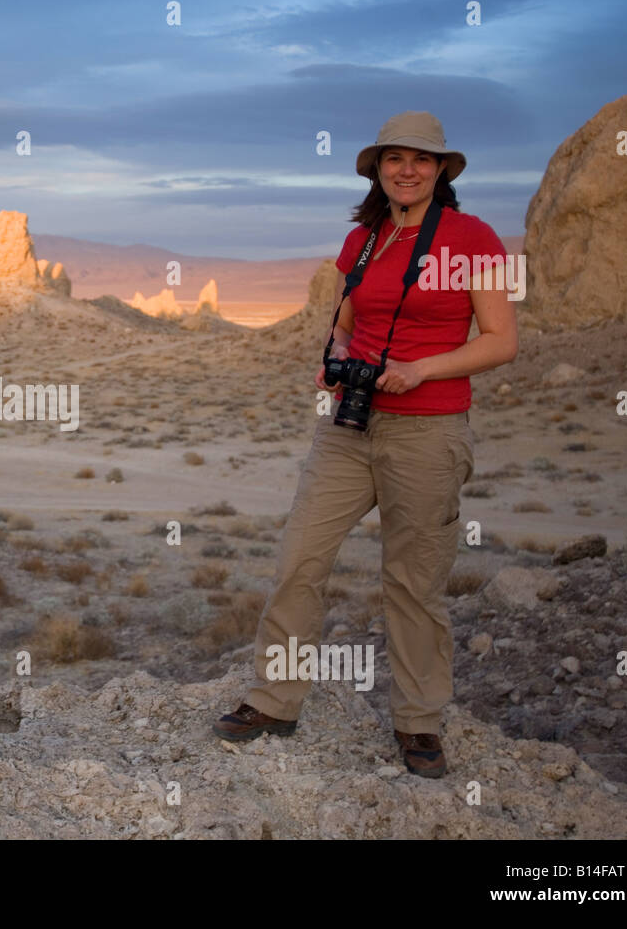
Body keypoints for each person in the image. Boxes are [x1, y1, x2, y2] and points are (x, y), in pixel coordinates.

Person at [212, 111, 518, 777]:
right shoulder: (363, 240)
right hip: (350, 426)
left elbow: (501, 339)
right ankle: (274, 701)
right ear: (378, 170)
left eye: (422, 160)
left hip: (429, 428)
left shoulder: (473, 239)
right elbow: (344, 325)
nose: (407, 170)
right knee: (300, 557)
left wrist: (421, 370)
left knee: (412, 580)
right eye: (394, 159)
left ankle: (419, 723)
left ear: (442, 170)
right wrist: (337, 357)